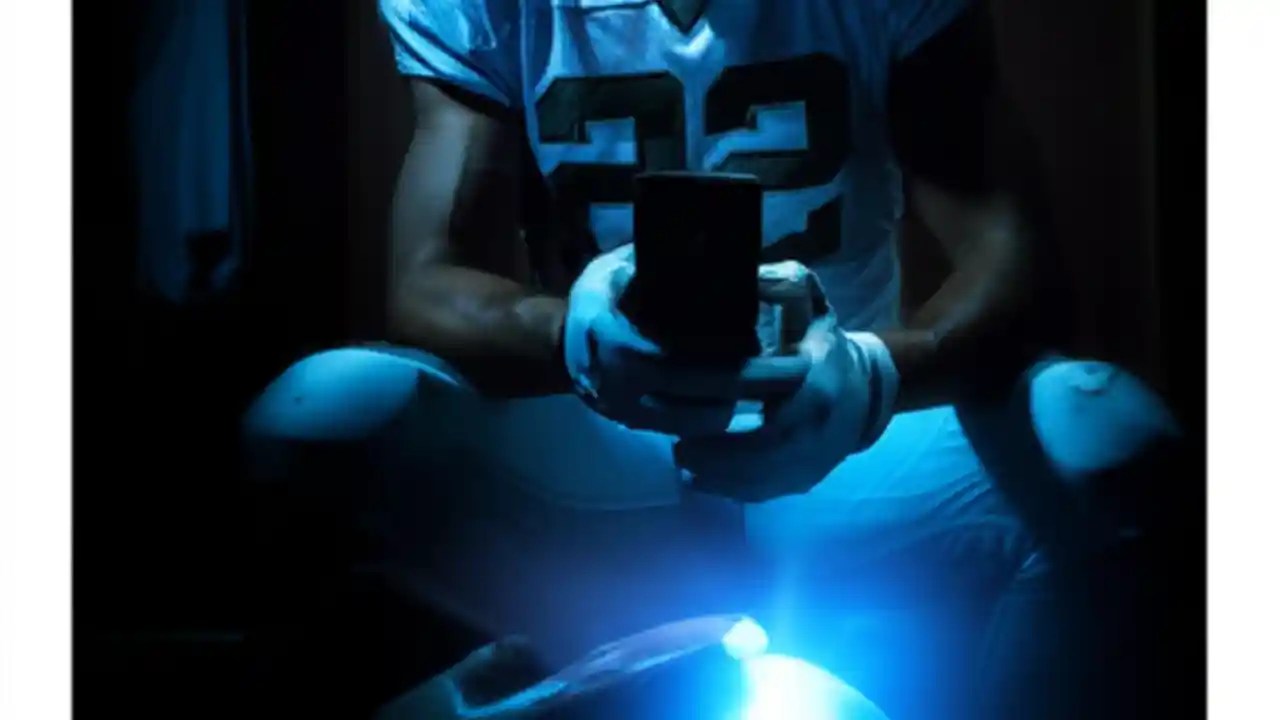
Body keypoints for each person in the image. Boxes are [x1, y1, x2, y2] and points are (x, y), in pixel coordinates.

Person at [242, 0, 1180, 716]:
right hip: (591, 442)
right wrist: (566, 330)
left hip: (837, 450)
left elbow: (1022, 265)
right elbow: (424, 275)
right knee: (321, 417)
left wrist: (869, 376)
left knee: (1108, 435)